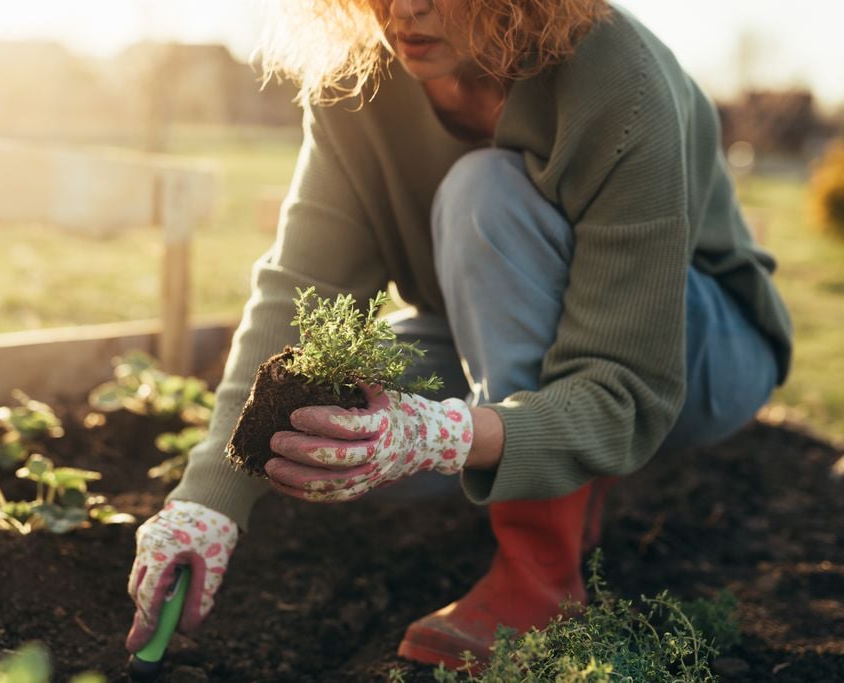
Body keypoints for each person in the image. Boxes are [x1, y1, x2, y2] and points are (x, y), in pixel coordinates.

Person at [126, 0, 793, 670]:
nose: (405, 10)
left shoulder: (617, 77)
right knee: (332, 431)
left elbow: (629, 390)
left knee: (487, 193)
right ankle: (568, 468)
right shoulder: (358, 78)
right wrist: (208, 501)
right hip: (507, 348)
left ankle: (539, 579)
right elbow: (301, 292)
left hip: (697, 352)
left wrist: (437, 433)